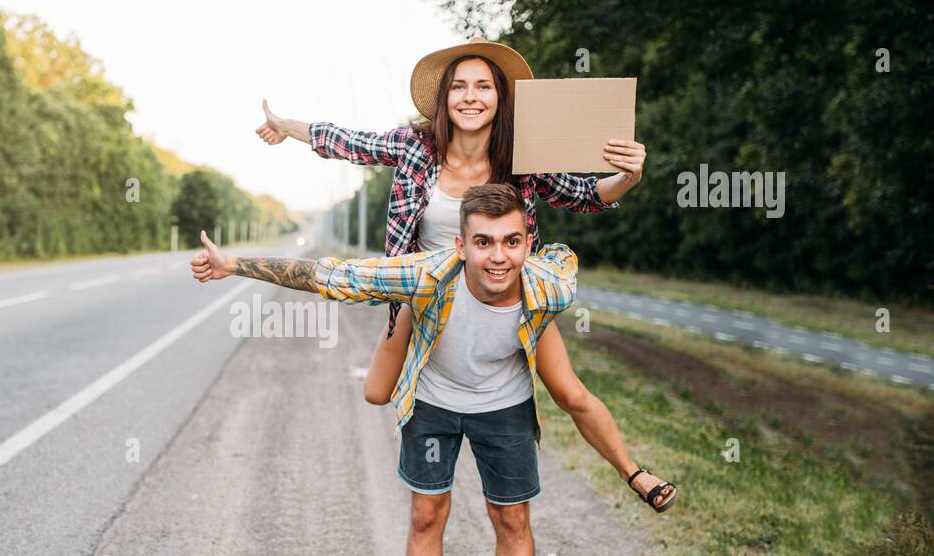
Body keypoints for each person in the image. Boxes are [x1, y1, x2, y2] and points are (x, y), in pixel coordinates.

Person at [191, 182, 578, 556]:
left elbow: (567, 254)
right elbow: (333, 277)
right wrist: (235, 265)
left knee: (513, 521)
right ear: (460, 245)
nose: (497, 255)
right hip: (435, 399)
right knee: (426, 515)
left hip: (504, 404)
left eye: (511, 241)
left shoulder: (549, 284)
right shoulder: (424, 272)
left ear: (527, 243)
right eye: (483, 242)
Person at [255, 37, 677, 515]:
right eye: (459, 87)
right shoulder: (415, 146)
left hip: (506, 295)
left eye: (483, 87)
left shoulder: (522, 155)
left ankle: (635, 474)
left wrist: (629, 177)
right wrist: (287, 126)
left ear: (499, 97)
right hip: (425, 291)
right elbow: (350, 142)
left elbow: (586, 194)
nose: (470, 96)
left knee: (569, 391)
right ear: (445, 99)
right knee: (376, 390)